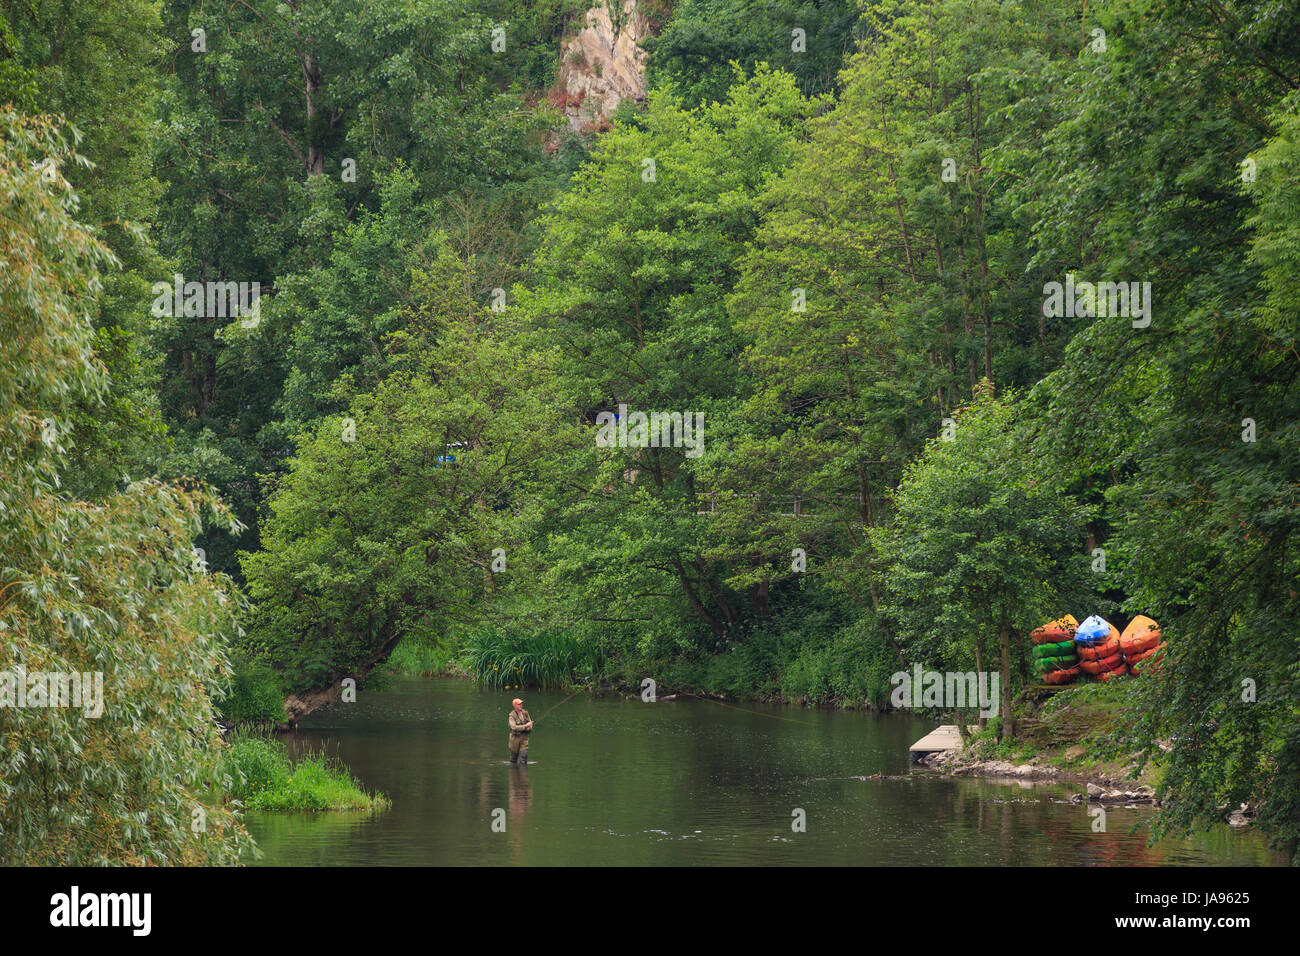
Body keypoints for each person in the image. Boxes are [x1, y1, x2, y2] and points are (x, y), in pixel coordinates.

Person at [508, 697, 532, 765]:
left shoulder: (525, 713)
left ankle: (523, 775)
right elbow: (514, 727)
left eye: (521, 704)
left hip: (524, 738)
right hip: (514, 739)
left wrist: (529, 727)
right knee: (513, 759)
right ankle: (513, 774)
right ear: (515, 706)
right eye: (519, 704)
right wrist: (525, 726)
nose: (521, 705)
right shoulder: (511, 716)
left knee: (524, 758)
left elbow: (530, 725)